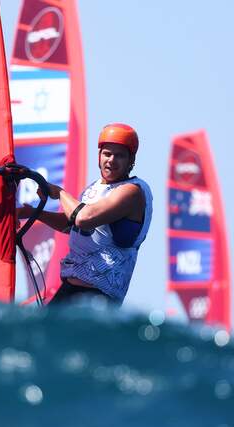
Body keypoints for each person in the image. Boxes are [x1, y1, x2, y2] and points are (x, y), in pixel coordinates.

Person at [19, 123, 153, 305]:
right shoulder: (93, 189)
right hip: (70, 287)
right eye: (107, 154)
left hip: (98, 296)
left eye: (120, 155)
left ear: (131, 160)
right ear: (99, 156)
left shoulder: (132, 191)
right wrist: (34, 213)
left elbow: (83, 219)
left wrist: (60, 193)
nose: (112, 160)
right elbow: (70, 224)